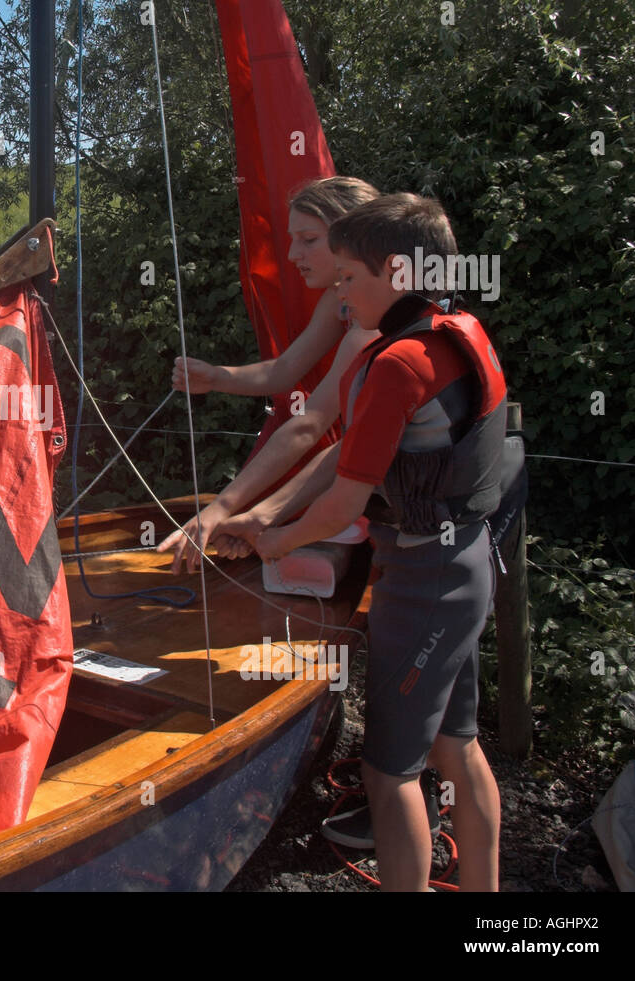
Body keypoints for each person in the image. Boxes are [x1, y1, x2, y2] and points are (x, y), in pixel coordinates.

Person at [222, 193, 505, 891]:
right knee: (457, 744)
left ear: (400, 272)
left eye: (350, 277)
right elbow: (352, 449)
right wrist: (266, 518)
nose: (340, 295)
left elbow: (347, 499)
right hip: (467, 564)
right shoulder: (450, 331)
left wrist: (277, 539)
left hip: (423, 581)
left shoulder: (397, 365)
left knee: (389, 773)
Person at [159, 176, 380, 571]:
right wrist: (217, 378)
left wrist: (219, 509)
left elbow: (308, 426)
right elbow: (285, 371)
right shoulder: (339, 301)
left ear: (352, 235)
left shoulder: (369, 323)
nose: (294, 254)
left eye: (309, 240)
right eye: (293, 239)